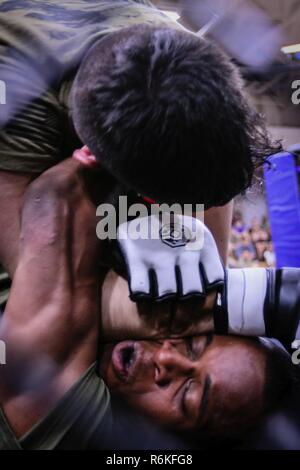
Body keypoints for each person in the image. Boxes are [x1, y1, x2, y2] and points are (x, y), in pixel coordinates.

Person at [0, 158, 297, 450]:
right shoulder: (173, 309)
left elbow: (54, 200)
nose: (169, 358)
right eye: (192, 343)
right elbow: (215, 160)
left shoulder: (79, 430)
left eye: (187, 393)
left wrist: (109, 148)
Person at [0, 0, 280, 279]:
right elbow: (35, 288)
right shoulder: (12, 69)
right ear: (92, 156)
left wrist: (211, 287)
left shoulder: (191, 64)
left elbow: (211, 279)